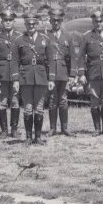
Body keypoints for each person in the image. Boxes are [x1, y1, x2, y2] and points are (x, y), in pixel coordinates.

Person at [14, 13, 57, 144]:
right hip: (26, 76)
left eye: (33, 24)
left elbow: (51, 60)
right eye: (28, 24)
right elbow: (15, 61)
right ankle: (28, 137)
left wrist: (51, 79)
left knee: (39, 108)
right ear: (25, 25)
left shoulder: (45, 39)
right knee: (27, 108)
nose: (31, 26)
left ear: (36, 25)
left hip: (41, 76)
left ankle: (37, 137)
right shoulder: (19, 40)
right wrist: (15, 80)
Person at [44, 9, 81, 137]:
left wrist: (72, 75)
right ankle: (53, 128)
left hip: (64, 73)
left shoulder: (68, 36)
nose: (56, 23)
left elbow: (73, 57)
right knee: (52, 100)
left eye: (58, 20)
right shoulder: (46, 36)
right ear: (50, 21)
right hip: (51, 73)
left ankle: (65, 128)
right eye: (53, 20)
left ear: (62, 21)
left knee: (63, 101)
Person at [0, 10, 21, 137]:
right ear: (2, 22)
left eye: (10, 20)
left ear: (13, 21)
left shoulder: (19, 37)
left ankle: (14, 129)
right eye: (5, 20)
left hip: (15, 74)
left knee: (15, 101)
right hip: (1, 75)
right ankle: (4, 130)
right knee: (2, 102)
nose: (7, 22)